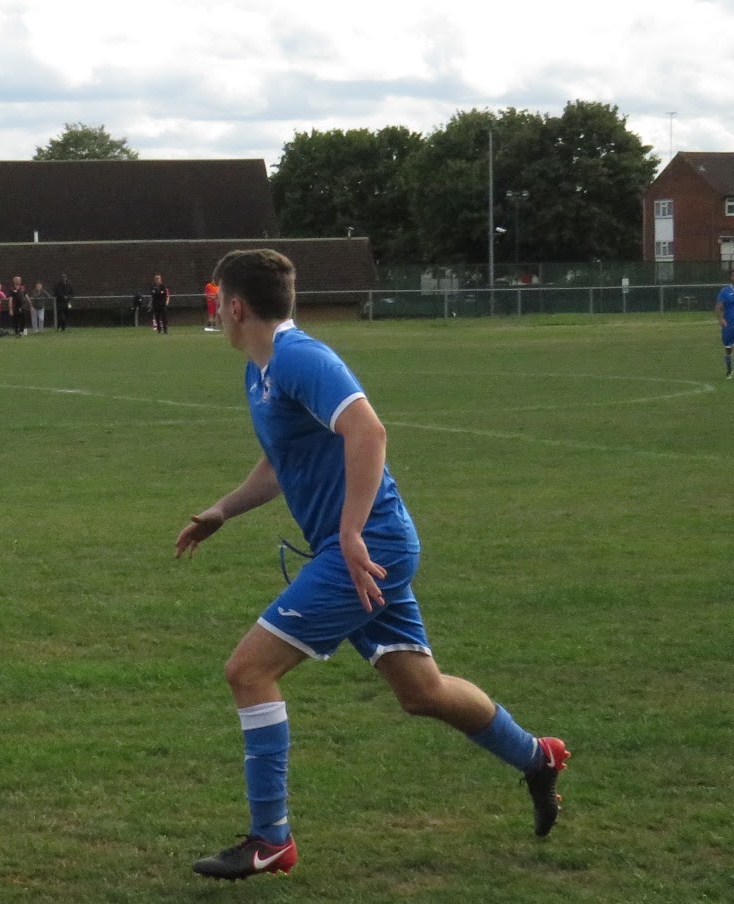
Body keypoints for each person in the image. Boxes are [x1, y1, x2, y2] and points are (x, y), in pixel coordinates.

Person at [176, 249, 568, 882]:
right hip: (362, 547)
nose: (216, 311)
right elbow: (280, 463)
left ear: (236, 305)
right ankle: (537, 756)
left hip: (365, 548)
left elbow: (369, 432)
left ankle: (270, 838)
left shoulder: (300, 356)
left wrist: (352, 531)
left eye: (218, 300)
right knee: (423, 693)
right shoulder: (262, 372)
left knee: (248, 671)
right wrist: (222, 511)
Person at [717, 270, 734, 379]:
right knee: (728, 347)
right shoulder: (725, 291)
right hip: (729, 323)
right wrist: (721, 319)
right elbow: (719, 306)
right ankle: (729, 369)